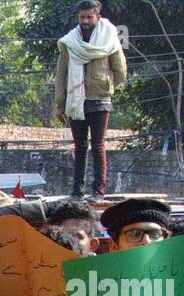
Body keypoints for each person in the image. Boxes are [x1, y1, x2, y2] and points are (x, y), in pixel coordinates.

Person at [54, 0, 127, 200]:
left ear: (97, 17)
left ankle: (98, 192)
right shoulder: (69, 42)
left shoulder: (109, 39)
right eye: (82, 17)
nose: (85, 21)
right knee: (80, 147)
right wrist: (60, 104)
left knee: (98, 146)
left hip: (100, 99)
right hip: (76, 101)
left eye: (89, 17)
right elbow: (62, 75)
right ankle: (77, 192)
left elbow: (120, 70)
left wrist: (106, 87)